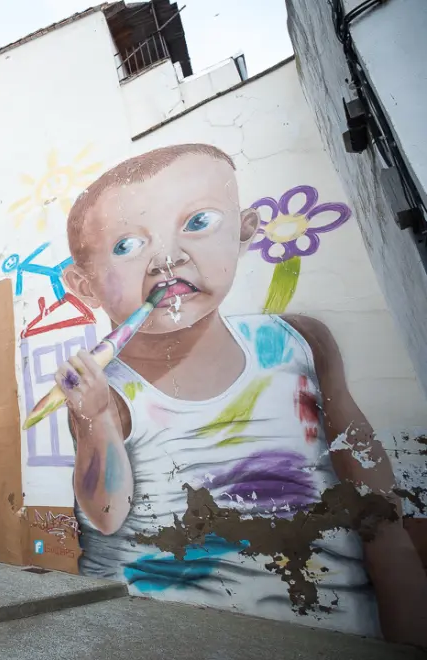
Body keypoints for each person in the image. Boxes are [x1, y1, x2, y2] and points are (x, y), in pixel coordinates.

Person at [55, 143, 426, 643]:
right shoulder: (101, 389)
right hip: (160, 640)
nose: (169, 258)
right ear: (84, 284)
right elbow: (105, 514)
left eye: (199, 221)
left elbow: (381, 518)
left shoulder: (301, 345)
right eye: (126, 246)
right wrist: (95, 416)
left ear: (245, 231)